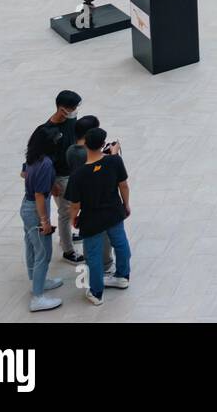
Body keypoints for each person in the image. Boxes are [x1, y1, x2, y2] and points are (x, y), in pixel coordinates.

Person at [65, 127, 132, 306]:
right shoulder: (115, 162)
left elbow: (75, 204)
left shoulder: (78, 175)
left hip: (92, 219)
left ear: (85, 145)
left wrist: (74, 217)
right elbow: (123, 186)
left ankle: (96, 292)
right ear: (103, 144)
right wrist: (126, 205)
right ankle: (122, 276)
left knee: (93, 255)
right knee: (120, 243)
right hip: (114, 212)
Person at [65, 115, 117, 274]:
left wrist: (74, 215)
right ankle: (106, 266)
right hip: (98, 201)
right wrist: (112, 155)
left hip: (83, 202)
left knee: (89, 238)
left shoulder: (72, 151)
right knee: (104, 236)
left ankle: (90, 266)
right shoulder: (89, 157)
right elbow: (107, 169)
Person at [21, 126, 64, 312]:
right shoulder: (45, 163)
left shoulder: (32, 157)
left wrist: (50, 183)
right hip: (36, 209)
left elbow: (24, 174)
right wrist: (45, 221)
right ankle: (37, 297)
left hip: (27, 206)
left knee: (31, 245)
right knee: (43, 252)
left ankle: (38, 281)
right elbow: (39, 194)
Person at [40, 90, 83, 264]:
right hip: (59, 177)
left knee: (68, 211)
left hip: (71, 173)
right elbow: (44, 161)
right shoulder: (48, 132)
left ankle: (66, 237)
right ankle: (68, 251)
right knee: (65, 212)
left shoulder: (71, 120)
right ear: (61, 108)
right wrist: (51, 184)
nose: (75, 111)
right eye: (72, 108)